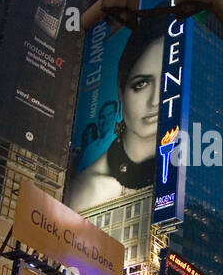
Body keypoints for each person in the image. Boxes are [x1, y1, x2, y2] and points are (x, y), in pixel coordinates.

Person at [67, 21, 167, 211]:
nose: (154, 101)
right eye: (141, 84)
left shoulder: (176, 176)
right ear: (121, 91)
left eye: (164, 83)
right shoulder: (90, 188)